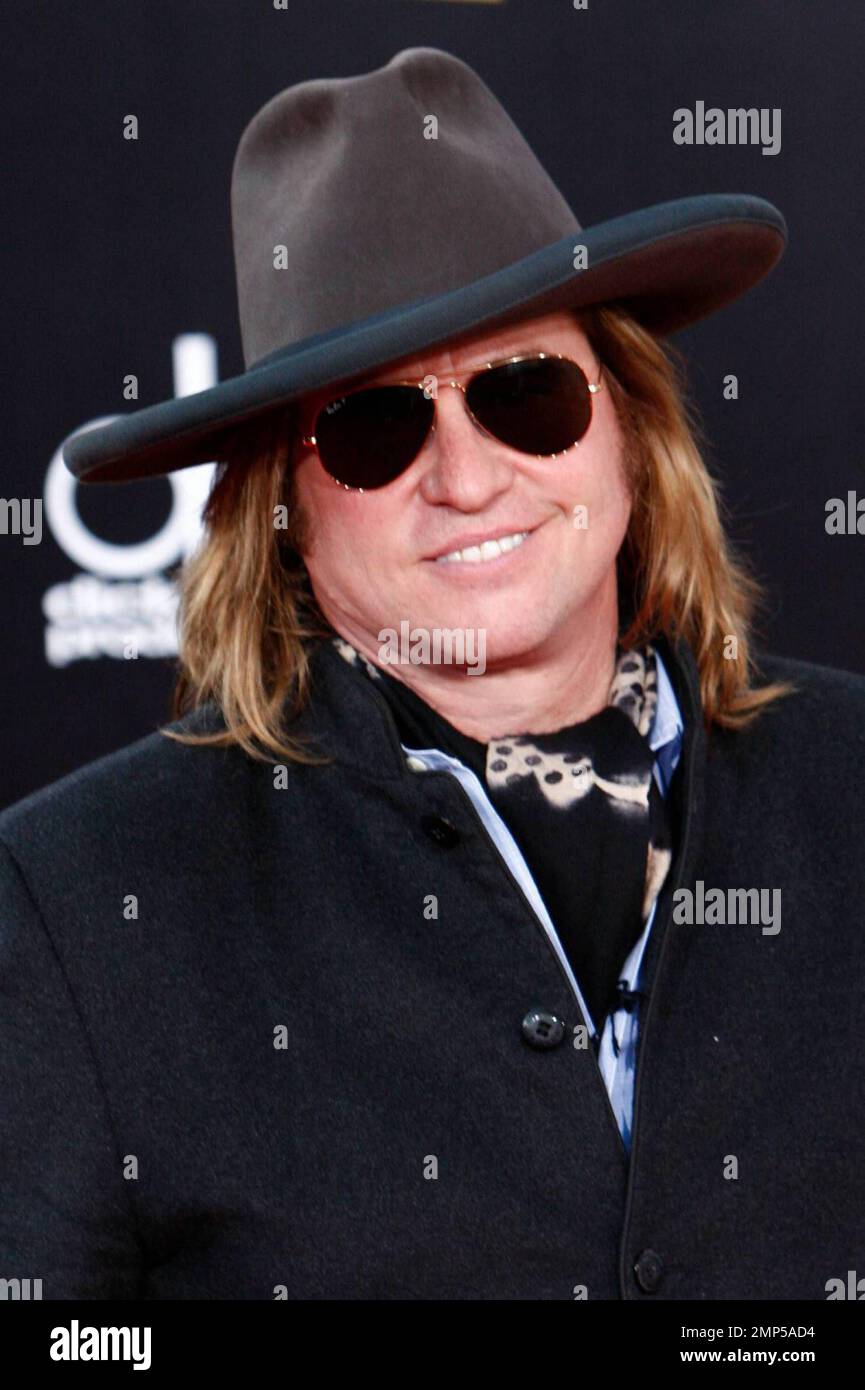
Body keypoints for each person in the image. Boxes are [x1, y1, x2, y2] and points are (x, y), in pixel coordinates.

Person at [1, 47, 863, 1302]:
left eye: (525, 394)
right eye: (373, 426)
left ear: (629, 428)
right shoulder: (76, 902)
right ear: (282, 509)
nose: (465, 479)